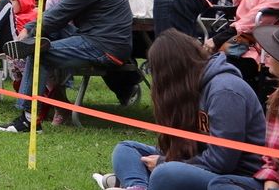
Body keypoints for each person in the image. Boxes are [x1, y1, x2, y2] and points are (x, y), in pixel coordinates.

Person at [0, 0, 134, 133]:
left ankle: (28, 120)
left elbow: (59, 14)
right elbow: (60, 15)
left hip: (103, 46)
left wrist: (28, 29)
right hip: (105, 40)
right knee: (43, 42)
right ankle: (55, 104)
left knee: (38, 54)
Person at [96, 30, 264, 190]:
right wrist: (168, 161)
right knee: (127, 150)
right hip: (201, 165)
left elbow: (222, 162)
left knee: (165, 174)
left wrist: (164, 163)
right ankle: (138, 186)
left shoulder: (225, 91)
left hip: (234, 179)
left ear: (172, 71)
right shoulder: (191, 87)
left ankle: (132, 181)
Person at [205, 22, 279, 189]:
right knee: (220, 184)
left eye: (276, 50)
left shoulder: (226, 89)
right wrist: (270, 185)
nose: (267, 52)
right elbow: (272, 161)